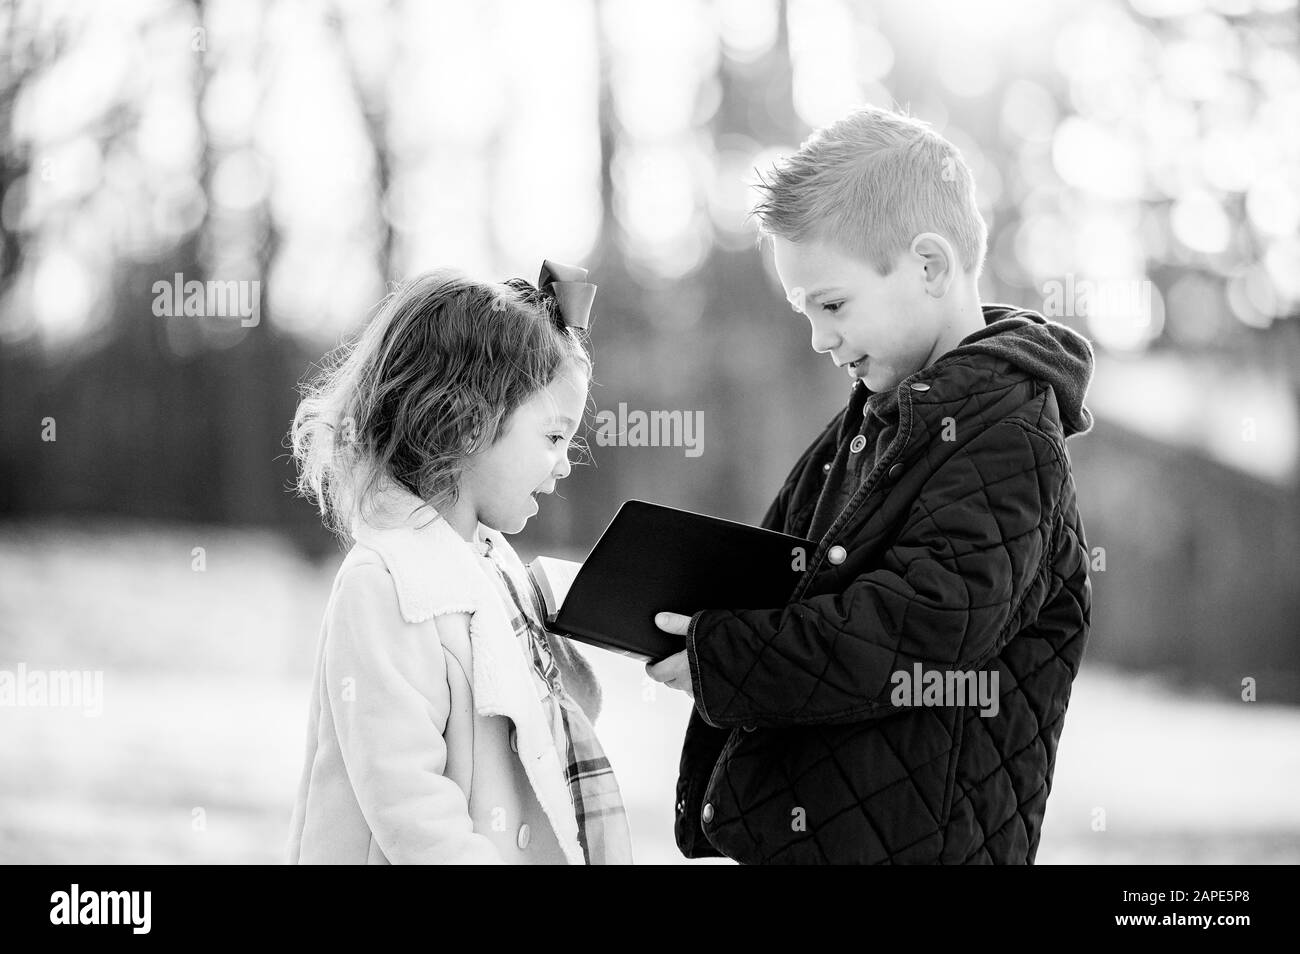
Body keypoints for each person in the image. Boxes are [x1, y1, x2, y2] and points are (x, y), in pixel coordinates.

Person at [648, 105, 1094, 864]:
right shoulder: (876, 427)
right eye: (804, 311)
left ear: (928, 265)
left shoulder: (1010, 436)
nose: (820, 338)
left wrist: (724, 658)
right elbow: (785, 578)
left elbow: (918, 629)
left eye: (831, 304)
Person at [286, 262, 632, 864]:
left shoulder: (496, 569)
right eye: (554, 437)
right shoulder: (386, 584)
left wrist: (565, 633)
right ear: (471, 423)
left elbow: (561, 726)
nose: (566, 464)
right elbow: (411, 807)